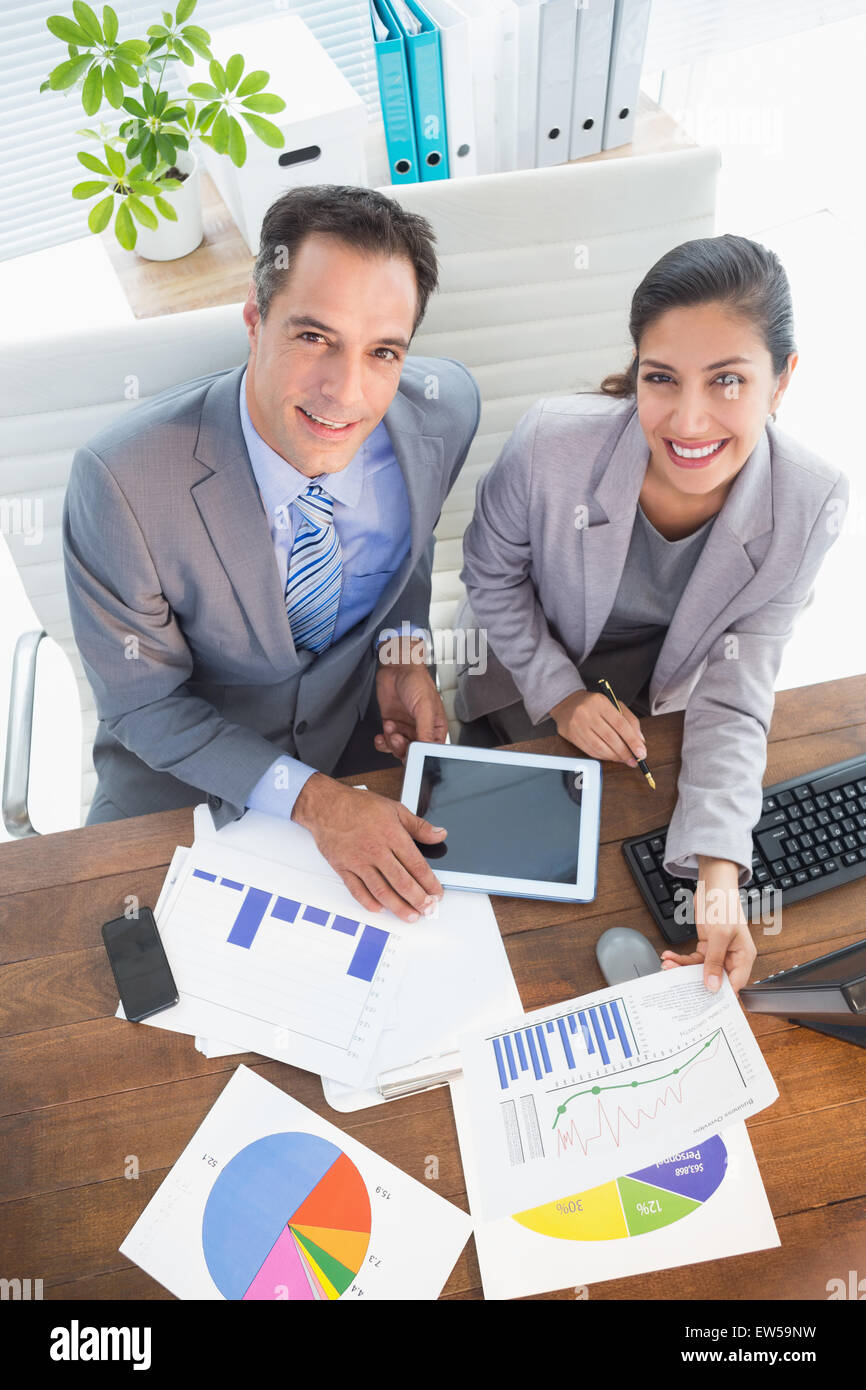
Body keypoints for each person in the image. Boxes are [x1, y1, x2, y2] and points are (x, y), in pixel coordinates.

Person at [63, 184, 481, 923]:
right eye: (313, 337)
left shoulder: (445, 412)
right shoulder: (123, 482)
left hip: (359, 743)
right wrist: (314, 802)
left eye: (382, 351)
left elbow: (410, 560)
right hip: (181, 772)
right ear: (255, 322)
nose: (346, 392)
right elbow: (144, 703)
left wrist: (402, 654)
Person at [454, 234, 848, 992]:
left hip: (662, 711)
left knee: (618, 884)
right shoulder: (551, 445)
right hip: (525, 679)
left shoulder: (810, 502)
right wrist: (561, 694)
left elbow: (737, 692)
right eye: (662, 378)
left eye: (728, 380)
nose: (690, 422)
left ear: (782, 380)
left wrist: (721, 872)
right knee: (516, 923)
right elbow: (489, 576)